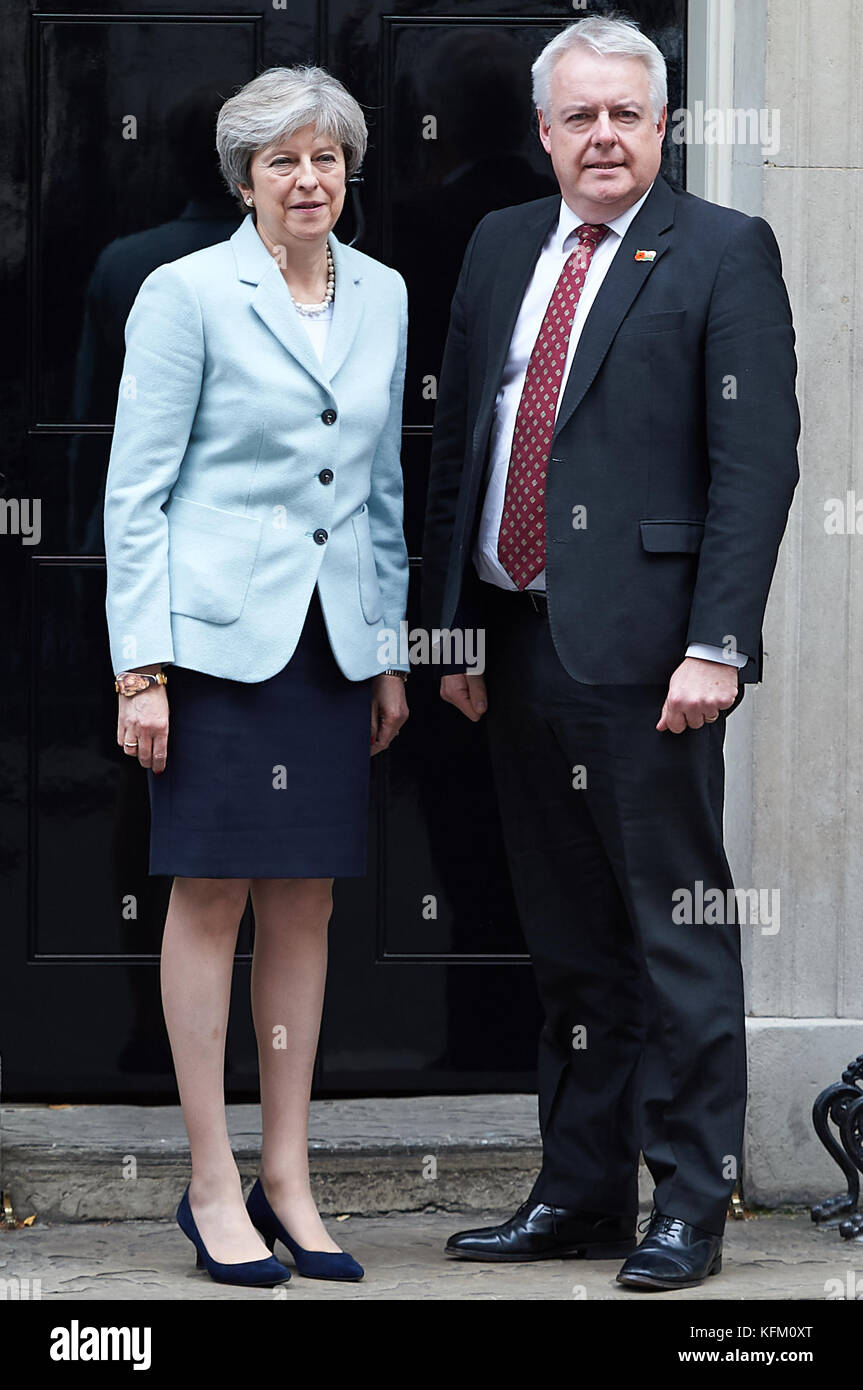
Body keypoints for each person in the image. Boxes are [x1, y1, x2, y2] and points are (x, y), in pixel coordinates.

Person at [422, 15, 799, 1290]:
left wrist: (716, 643)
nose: (601, 136)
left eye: (623, 114)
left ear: (661, 124)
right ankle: (578, 1193)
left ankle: (687, 1203)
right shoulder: (497, 244)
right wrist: (450, 625)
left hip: (650, 662)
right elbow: (460, 447)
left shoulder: (722, 249)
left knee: (673, 937)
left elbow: (755, 468)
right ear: (542, 130)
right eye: (577, 116)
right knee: (570, 943)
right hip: (514, 641)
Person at [103, 65, 410, 1286]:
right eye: (282, 160)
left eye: (326, 156)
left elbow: (379, 489)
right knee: (211, 894)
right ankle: (209, 1180)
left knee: (306, 902)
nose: (308, 178)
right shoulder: (185, 293)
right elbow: (136, 493)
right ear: (244, 180)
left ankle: (287, 1173)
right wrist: (140, 669)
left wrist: (385, 651)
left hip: (331, 646)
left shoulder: (382, 292)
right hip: (217, 647)